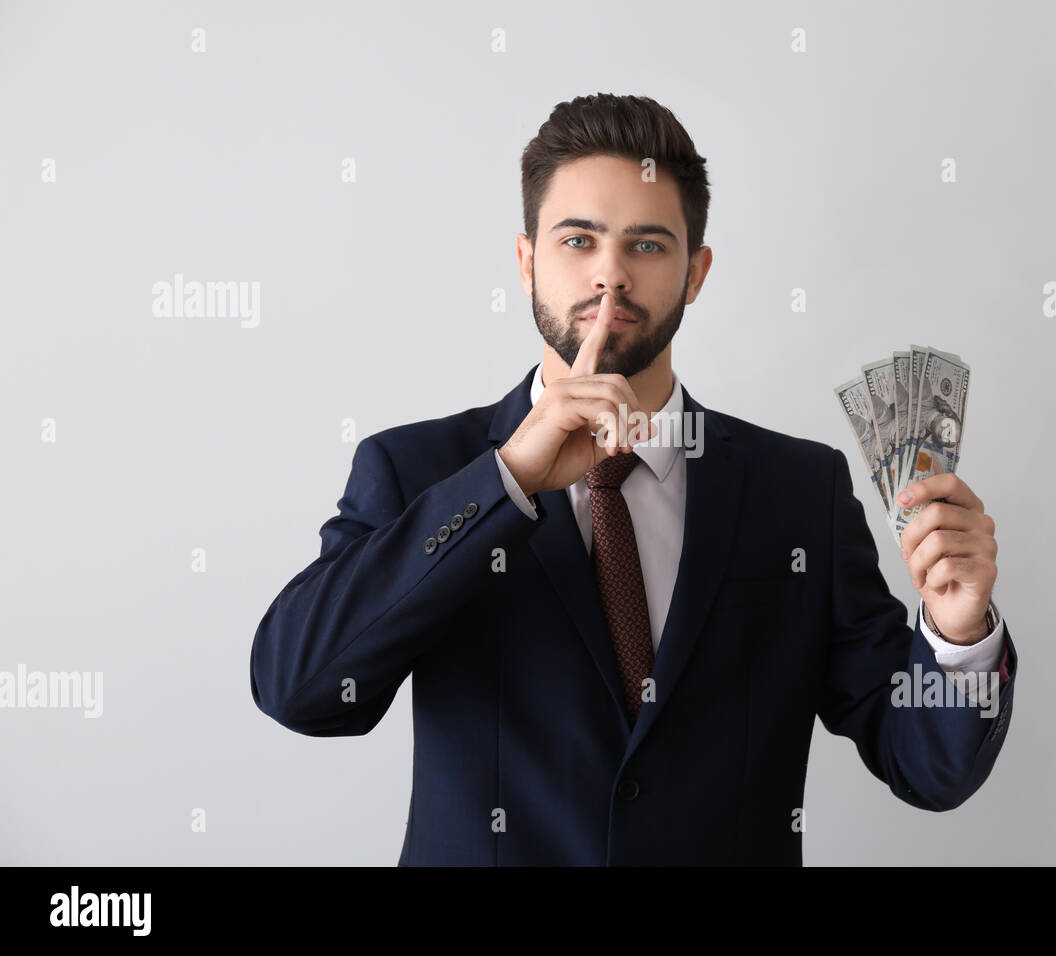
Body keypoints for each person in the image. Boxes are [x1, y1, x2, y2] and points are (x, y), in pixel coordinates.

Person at [250, 92, 1016, 866]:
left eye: (647, 246)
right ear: (526, 262)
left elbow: (927, 764)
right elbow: (299, 688)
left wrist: (957, 637)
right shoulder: (418, 470)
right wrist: (508, 480)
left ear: (695, 273)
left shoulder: (798, 493)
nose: (609, 277)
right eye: (578, 240)